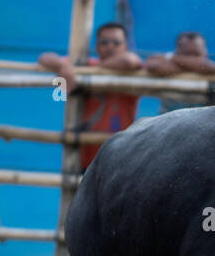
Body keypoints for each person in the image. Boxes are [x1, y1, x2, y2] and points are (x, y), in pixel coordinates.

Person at [39, 21, 147, 168]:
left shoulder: (129, 72)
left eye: (116, 42)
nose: (110, 47)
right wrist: (63, 65)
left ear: (125, 46)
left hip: (121, 158)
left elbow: (129, 61)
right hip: (85, 160)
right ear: (96, 46)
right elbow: (45, 58)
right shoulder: (83, 66)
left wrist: (88, 69)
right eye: (104, 42)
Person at [144, 32, 215, 114]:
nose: (191, 60)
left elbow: (211, 67)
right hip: (168, 124)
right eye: (187, 54)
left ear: (205, 52)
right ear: (177, 51)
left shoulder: (210, 69)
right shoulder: (165, 65)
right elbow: (153, 66)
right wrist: (193, 65)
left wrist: (172, 58)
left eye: (196, 55)